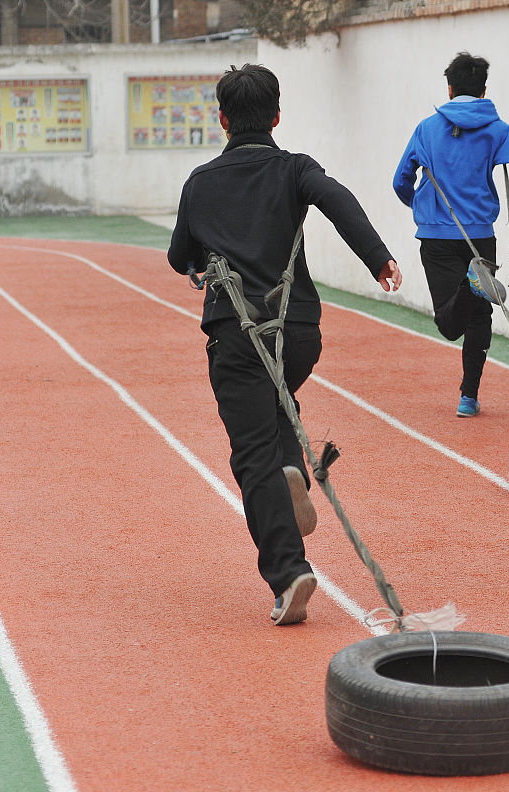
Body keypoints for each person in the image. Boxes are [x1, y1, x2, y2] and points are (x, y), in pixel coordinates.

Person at [167, 64, 402, 626]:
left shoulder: (200, 183)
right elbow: (337, 198)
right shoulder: (296, 170)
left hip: (236, 333)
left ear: (221, 120)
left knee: (251, 455)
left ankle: (288, 571)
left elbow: (180, 257)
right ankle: (291, 466)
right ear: (276, 117)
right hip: (298, 335)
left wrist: (202, 261)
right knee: (277, 402)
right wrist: (379, 259)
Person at [393, 51, 509, 418]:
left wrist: (423, 210)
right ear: (484, 90)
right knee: (480, 319)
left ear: (449, 88)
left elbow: (400, 181)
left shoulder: (426, 128)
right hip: (480, 236)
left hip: (436, 237)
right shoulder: (497, 129)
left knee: (450, 325)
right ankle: (468, 397)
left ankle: (470, 285)